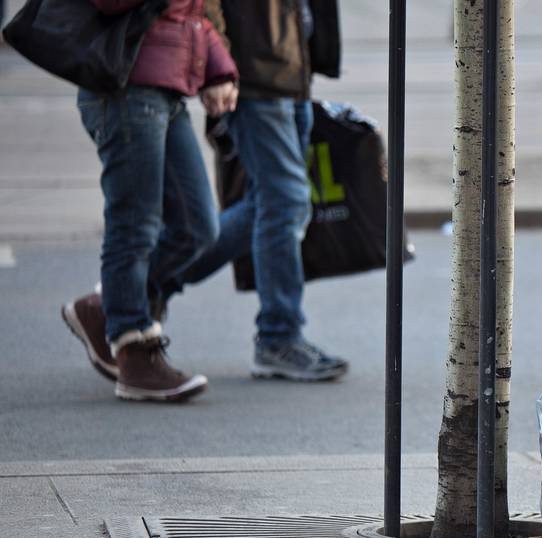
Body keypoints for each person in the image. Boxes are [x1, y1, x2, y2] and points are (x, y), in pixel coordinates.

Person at [157, 0, 348, 381]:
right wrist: (219, 65)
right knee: (286, 202)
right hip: (254, 72)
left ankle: (152, 277)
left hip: (291, 66)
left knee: (269, 205)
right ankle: (278, 336)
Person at [61, 0, 238, 402]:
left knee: (199, 225)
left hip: (168, 86)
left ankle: (108, 305)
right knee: (134, 225)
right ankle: (134, 352)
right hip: (125, 83)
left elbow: (192, 13)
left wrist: (219, 68)